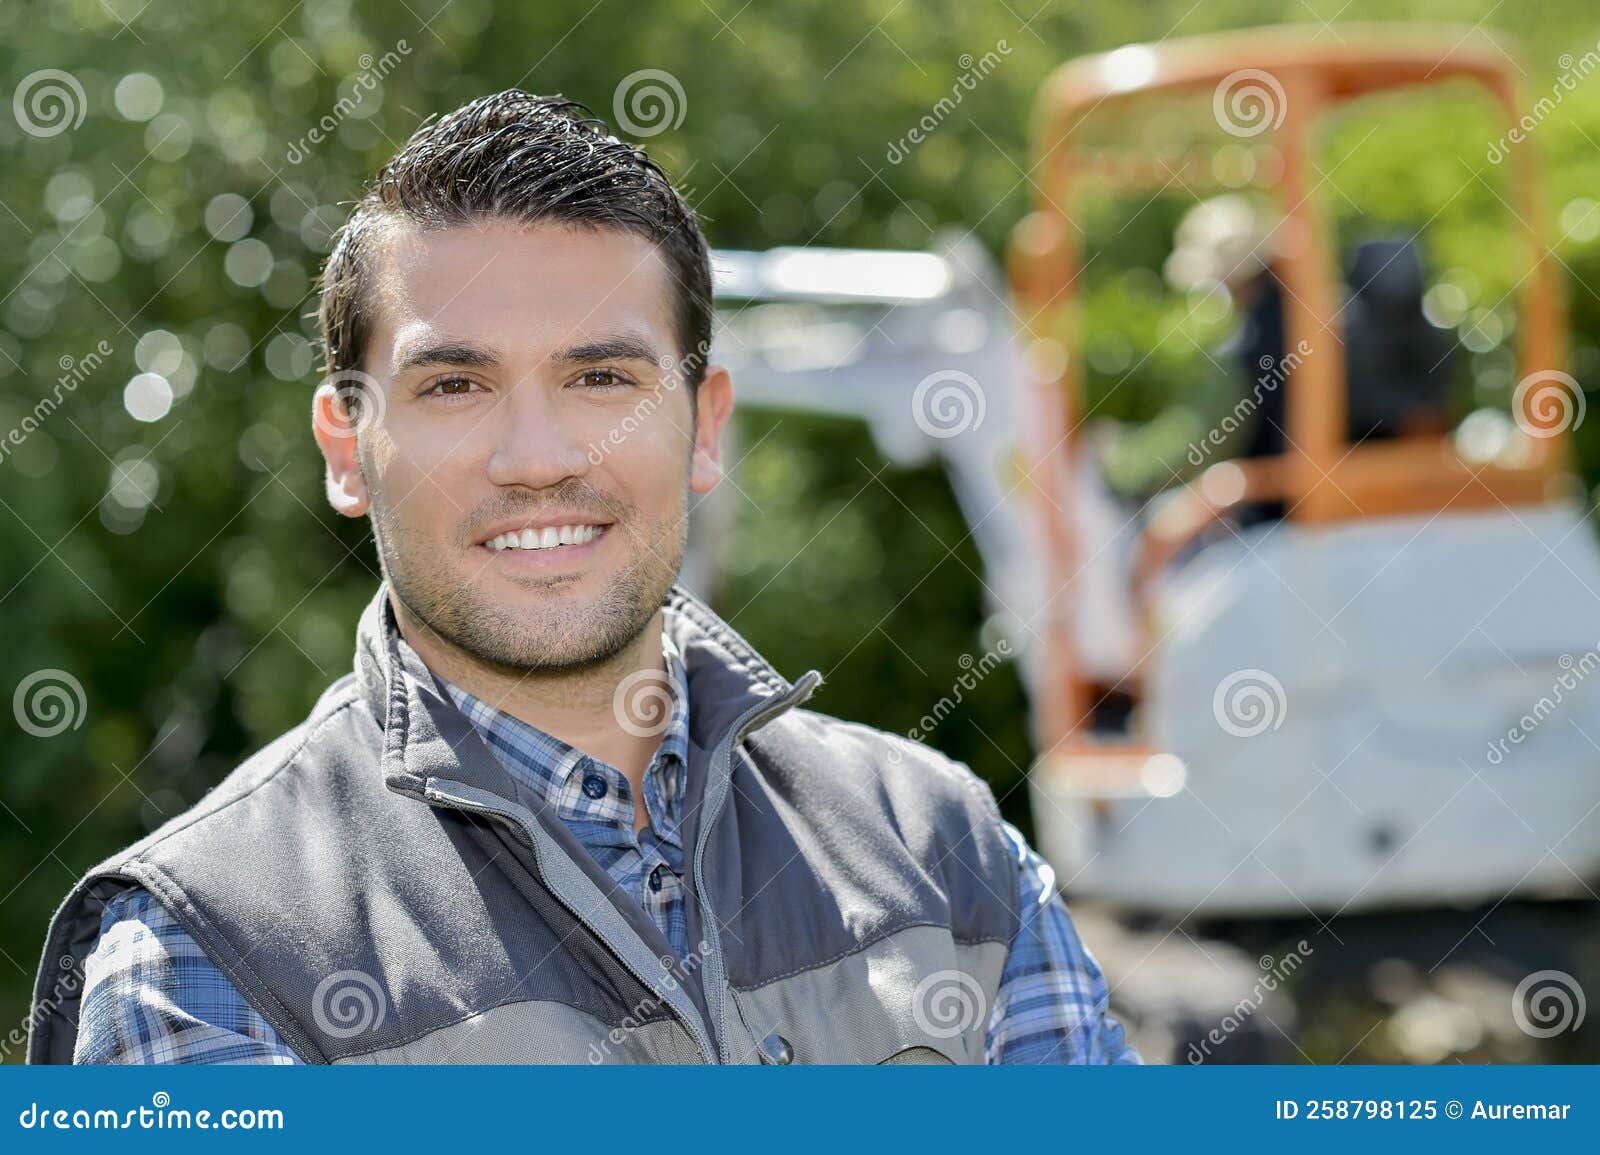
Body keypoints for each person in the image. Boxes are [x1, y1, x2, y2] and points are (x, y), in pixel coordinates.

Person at [29, 91, 1137, 1066]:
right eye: (455, 387)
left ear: (705, 431)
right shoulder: (205, 956)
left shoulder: (948, 854)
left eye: (602, 377)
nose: (539, 457)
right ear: (345, 447)